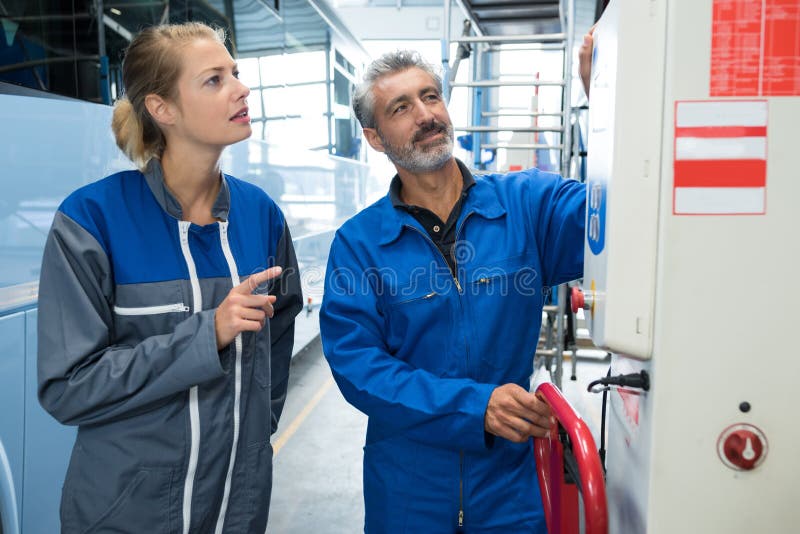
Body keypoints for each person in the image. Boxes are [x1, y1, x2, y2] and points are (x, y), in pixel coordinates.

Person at [37, 22, 302, 533]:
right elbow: (68, 387)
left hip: (237, 511)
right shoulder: (91, 220)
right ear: (163, 110)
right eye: (214, 80)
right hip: (126, 515)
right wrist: (209, 334)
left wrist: (254, 434)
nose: (241, 89)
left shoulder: (262, 215)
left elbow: (280, 334)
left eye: (236, 74)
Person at [319, 48, 590, 533]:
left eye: (431, 97)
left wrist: (605, 96)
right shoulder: (359, 245)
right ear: (375, 138)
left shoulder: (527, 206)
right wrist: (474, 406)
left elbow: (618, 208)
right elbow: (358, 367)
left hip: (508, 485)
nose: (426, 115)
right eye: (401, 107)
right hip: (407, 488)